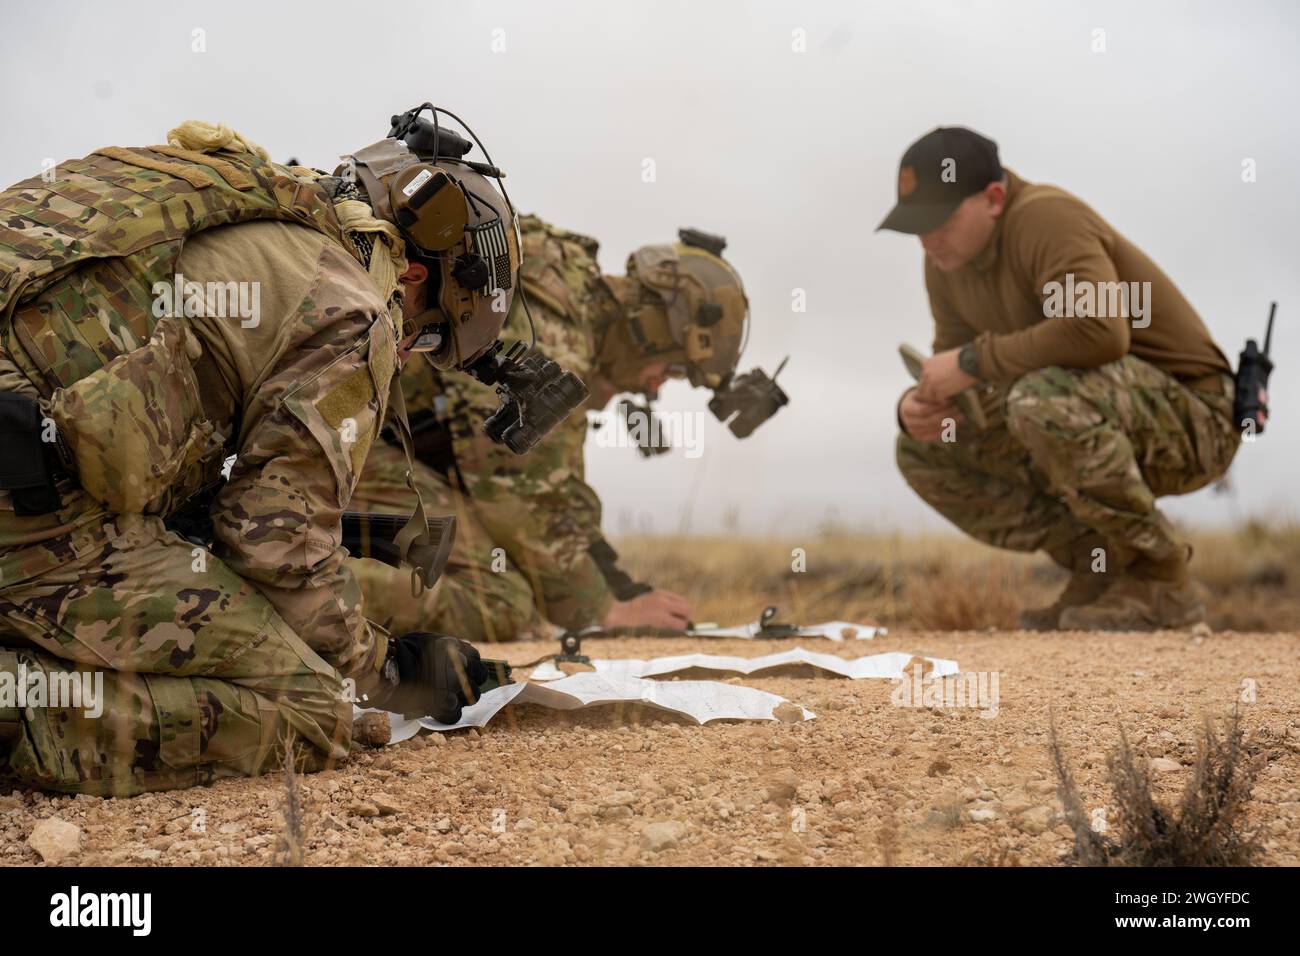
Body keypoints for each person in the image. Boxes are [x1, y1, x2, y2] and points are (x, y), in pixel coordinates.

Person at [0, 107, 519, 795]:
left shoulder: (220, 195)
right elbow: (277, 545)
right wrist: (391, 669)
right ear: (416, 280)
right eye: (424, 338)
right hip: (29, 512)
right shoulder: (349, 306)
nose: (408, 349)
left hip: (29, 462)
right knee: (306, 707)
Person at [348, 219, 787, 641]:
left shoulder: (568, 297)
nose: (655, 385)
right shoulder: (560, 340)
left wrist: (615, 583)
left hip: (368, 433)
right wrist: (603, 610)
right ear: (648, 329)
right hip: (355, 438)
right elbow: (515, 494)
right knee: (499, 602)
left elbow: (558, 489)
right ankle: (297, 580)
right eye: (670, 369)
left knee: (504, 580)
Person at [878, 127, 1239, 631]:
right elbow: (963, 371)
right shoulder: (945, 263)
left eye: (940, 219)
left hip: (1196, 420)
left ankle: (1160, 580)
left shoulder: (1045, 217)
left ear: (994, 198)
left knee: (1040, 400)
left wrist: (969, 364)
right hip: (1079, 408)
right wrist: (920, 408)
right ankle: (1103, 566)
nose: (927, 238)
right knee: (925, 447)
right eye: (916, 224)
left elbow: (1099, 331)